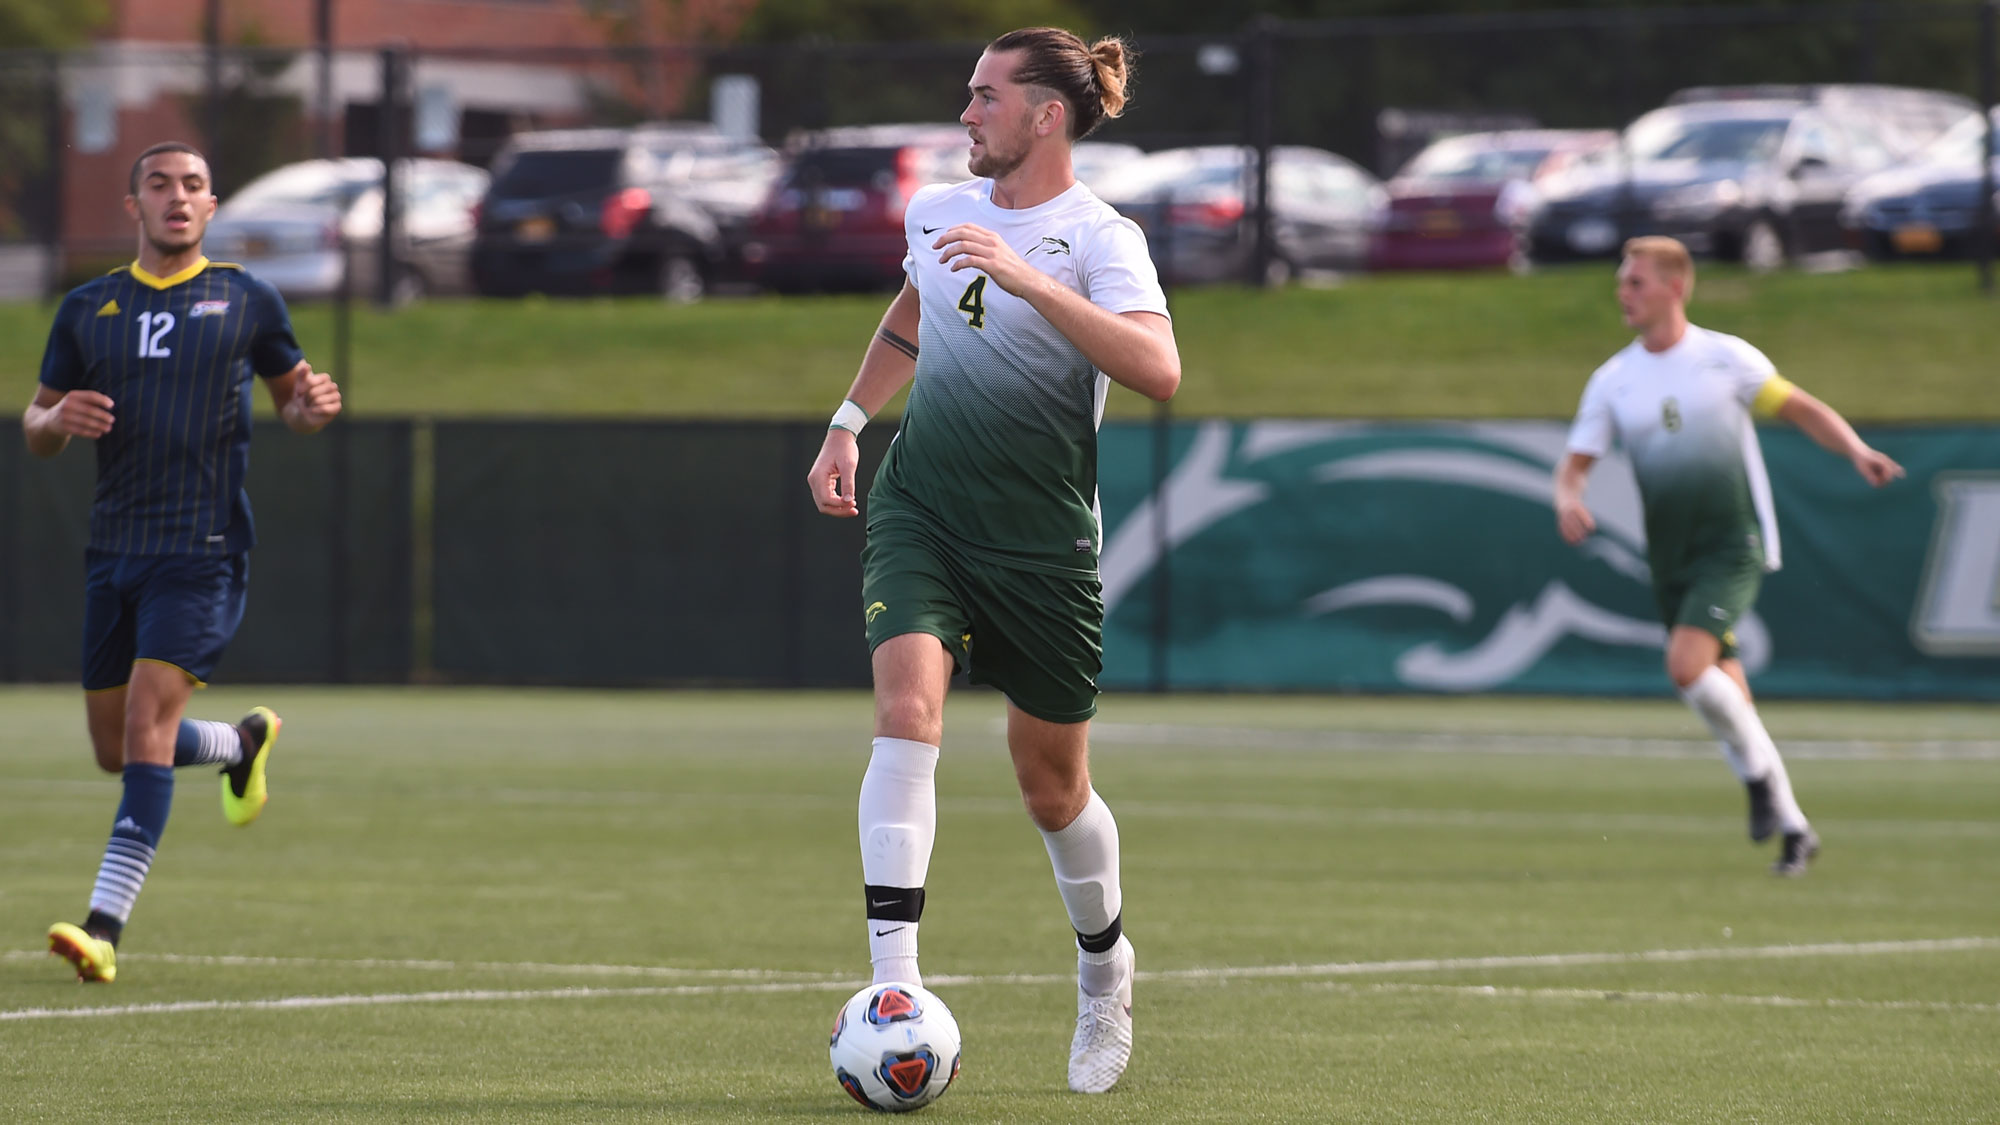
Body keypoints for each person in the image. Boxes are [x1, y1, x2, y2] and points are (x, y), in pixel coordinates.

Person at [805, 27, 1179, 1094]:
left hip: (1042, 544)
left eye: (982, 96)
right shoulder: (937, 209)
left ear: (1044, 115)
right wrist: (846, 421)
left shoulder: (1100, 238)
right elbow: (913, 310)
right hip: (920, 506)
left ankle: (1104, 968)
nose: (964, 114)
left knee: (1051, 790)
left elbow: (1157, 369)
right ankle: (894, 990)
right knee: (905, 713)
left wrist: (1028, 280)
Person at [26, 141, 343, 982]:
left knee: (142, 728)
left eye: (193, 186)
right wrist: (57, 421)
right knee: (114, 749)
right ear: (132, 204)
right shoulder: (87, 307)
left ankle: (104, 930)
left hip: (200, 553)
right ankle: (240, 746)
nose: (177, 197)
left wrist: (312, 407)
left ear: (212, 206)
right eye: (159, 185)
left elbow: (294, 405)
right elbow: (33, 423)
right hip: (113, 552)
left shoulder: (247, 297)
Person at [1554, 236, 1902, 876]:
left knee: (1686, 667)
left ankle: (1756, 786)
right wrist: (1567, 498)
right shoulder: (1614, 379)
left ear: (1674, 288)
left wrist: (1855, 450)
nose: (1623, 293)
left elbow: (1799, 407)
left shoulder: (1723, 359)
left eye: (1636, 282)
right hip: (1670, 555)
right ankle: (1795, 827)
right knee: (1727, 697)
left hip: (1732, 543)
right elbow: (1575, 464)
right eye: (1622, 282)